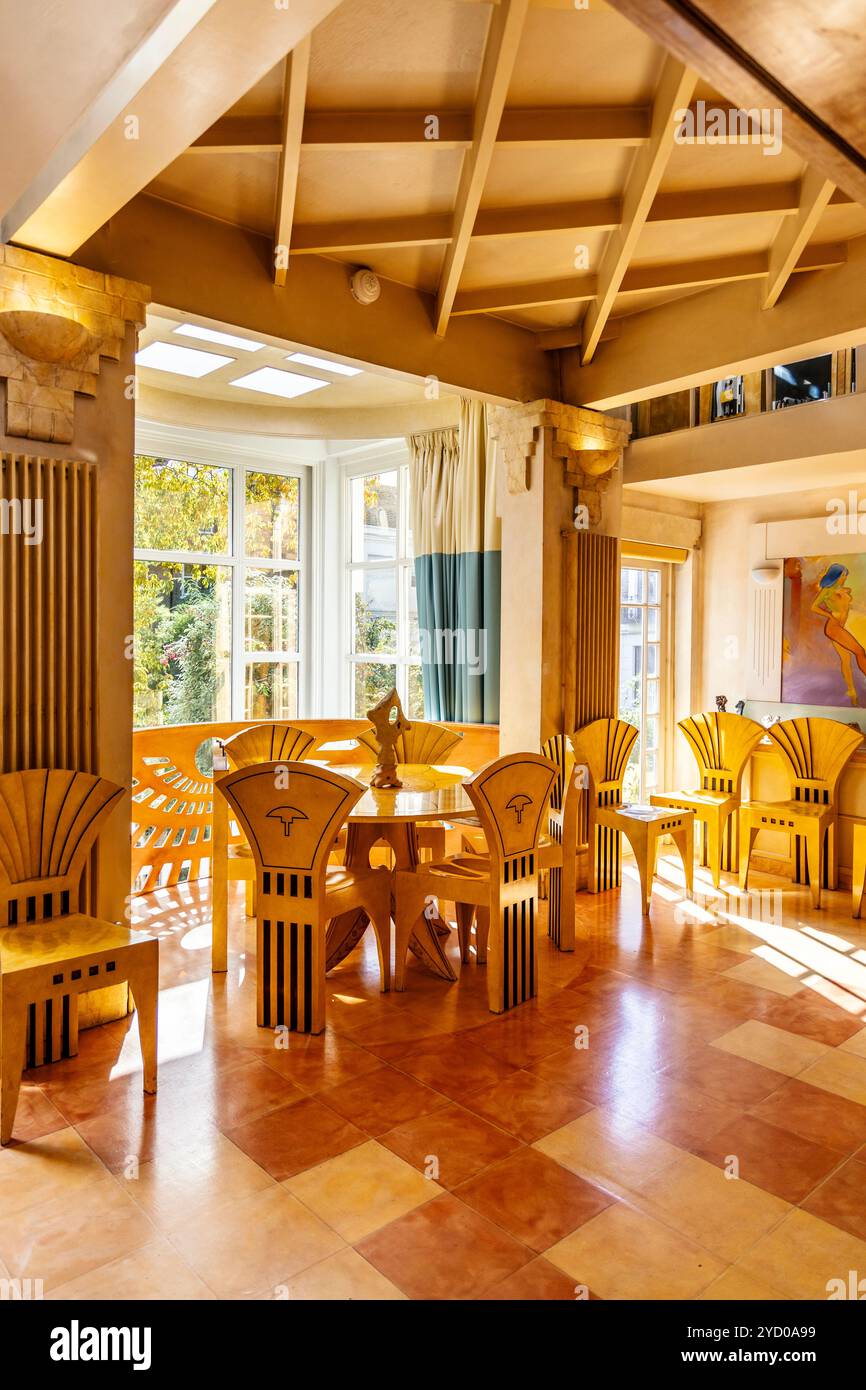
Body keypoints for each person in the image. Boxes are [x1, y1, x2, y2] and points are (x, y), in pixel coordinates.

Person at [811, 562, 866, 705]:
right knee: (860, 651)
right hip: (833, 627)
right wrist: (829, 615)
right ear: (836, 576)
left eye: (846, 575)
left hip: (838, 626)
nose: (845, 577)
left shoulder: (843, 590)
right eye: (843, 575)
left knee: (846, 659)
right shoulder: (827, 590)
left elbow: (845, 607)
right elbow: (813, 607)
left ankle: (852, 694)